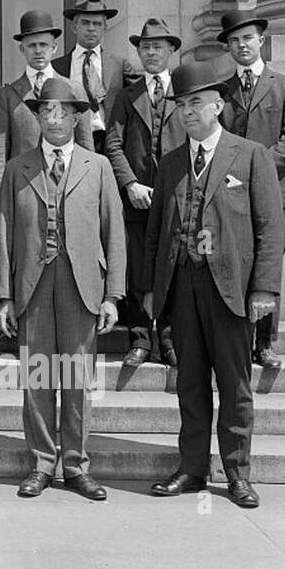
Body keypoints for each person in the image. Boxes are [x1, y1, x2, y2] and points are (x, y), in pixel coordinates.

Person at [145, 61, 285, 509]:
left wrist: (264, 288)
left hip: (231, 290)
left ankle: (237, 473)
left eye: (196, 102)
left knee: (234, 383)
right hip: (182, 288)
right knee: (189, 383)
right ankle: (191, 468)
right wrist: (151, 288)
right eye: (181, 104)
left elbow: (270, 226)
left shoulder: (250, 155)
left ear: (218, 104)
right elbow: (154, 233)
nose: (187, 111)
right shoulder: (169, 164)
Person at [0, 78, 125, 502]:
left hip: (81, 284)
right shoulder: (19, 167)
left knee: (76, 376)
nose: (54, 119)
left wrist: (112, 295)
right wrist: (5, 297)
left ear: (75, 117)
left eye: (62, 111)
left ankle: (75, 464)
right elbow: (4, 232)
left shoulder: (97, 166)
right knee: (38, 377)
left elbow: (114, 231)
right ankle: (41, 463)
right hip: (33, 284)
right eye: (46, 111)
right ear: (36, 117)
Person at [216, 9, 285, 369]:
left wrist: (259, 171)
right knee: (236, 264)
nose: (242, 45)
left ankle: (265, 344)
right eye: (234, 40)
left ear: (261, 41)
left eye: (248, 38)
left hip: (275, 193)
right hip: (231, 192)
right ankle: (238, 339)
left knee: (268, 265)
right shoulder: (223, 89)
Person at [105, 18, 185, 368]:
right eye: (145, 47)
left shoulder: (184, 91)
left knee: (171, 268)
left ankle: (168, 339)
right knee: (137, 270)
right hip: (136, 199)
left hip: (175, 196)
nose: (151, 53)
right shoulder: (127, 95)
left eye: (158, 47)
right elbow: (113, 143)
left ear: (170, 50)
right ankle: (138, 339)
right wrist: (129, 184)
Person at [0, 9, 93, 206]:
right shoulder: (7, 96)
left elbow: (86, 147)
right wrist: (0, 203)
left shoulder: (74, 90)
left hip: (67, 188)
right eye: (31, 45)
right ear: (22, 49)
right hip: (23, 190)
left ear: (54, 47)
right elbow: (0, 157)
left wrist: (88, 192)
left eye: (43, 45)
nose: (38, 51)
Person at [52, 0, 140, 155]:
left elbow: (142, 95)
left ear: (105, 27)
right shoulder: (57, 68)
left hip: (111, 145)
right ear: (74, 26)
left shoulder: (119, 65)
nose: (91, 29)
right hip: (72, 144)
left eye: (97, 24)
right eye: (85, 23)